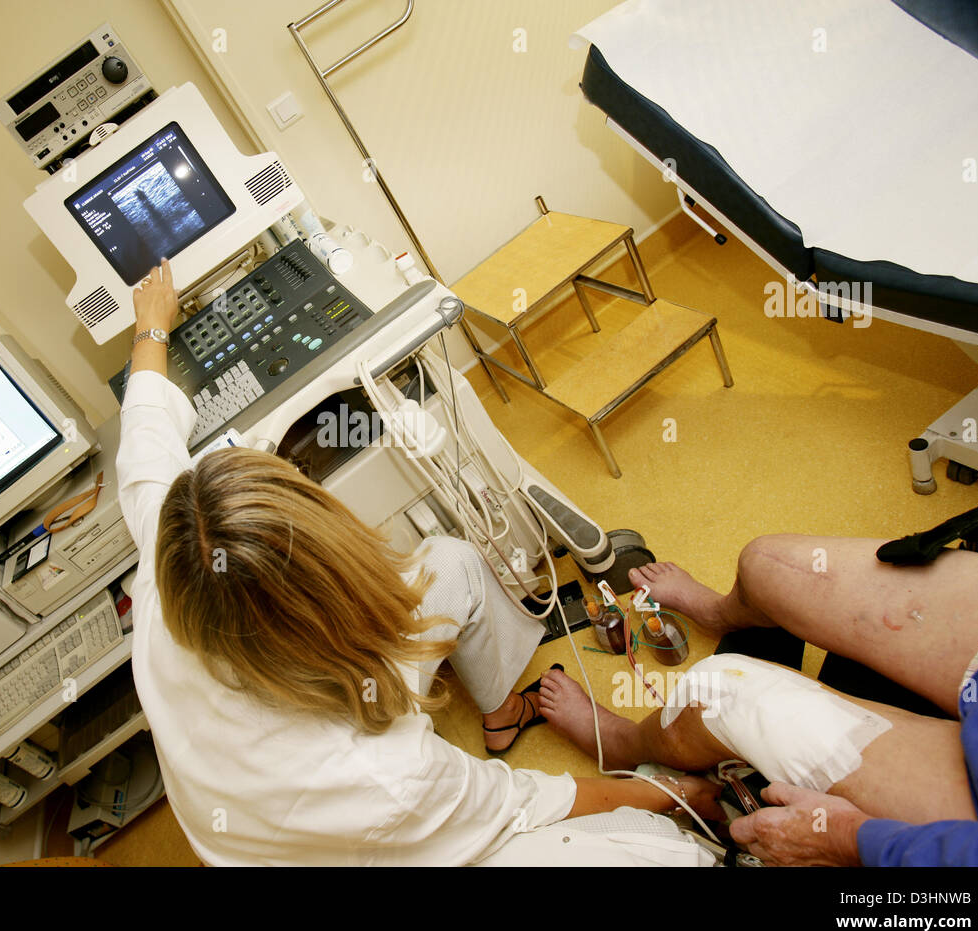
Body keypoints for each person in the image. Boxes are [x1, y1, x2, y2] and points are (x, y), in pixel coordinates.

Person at [115, 260, 723, 865]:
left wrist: (153, 326)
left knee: (452, 564)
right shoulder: (379, 779)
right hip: (334, 835)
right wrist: (666, 794)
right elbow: (515, 803)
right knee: (664, 855)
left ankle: (503, 715)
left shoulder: (173, 547)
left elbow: (145, 430)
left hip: (290, 683)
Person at [535, 535, 978, 866]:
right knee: (768, 566)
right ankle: (719, 613)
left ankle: (624, 743)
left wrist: (845, 839)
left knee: (717, 687)